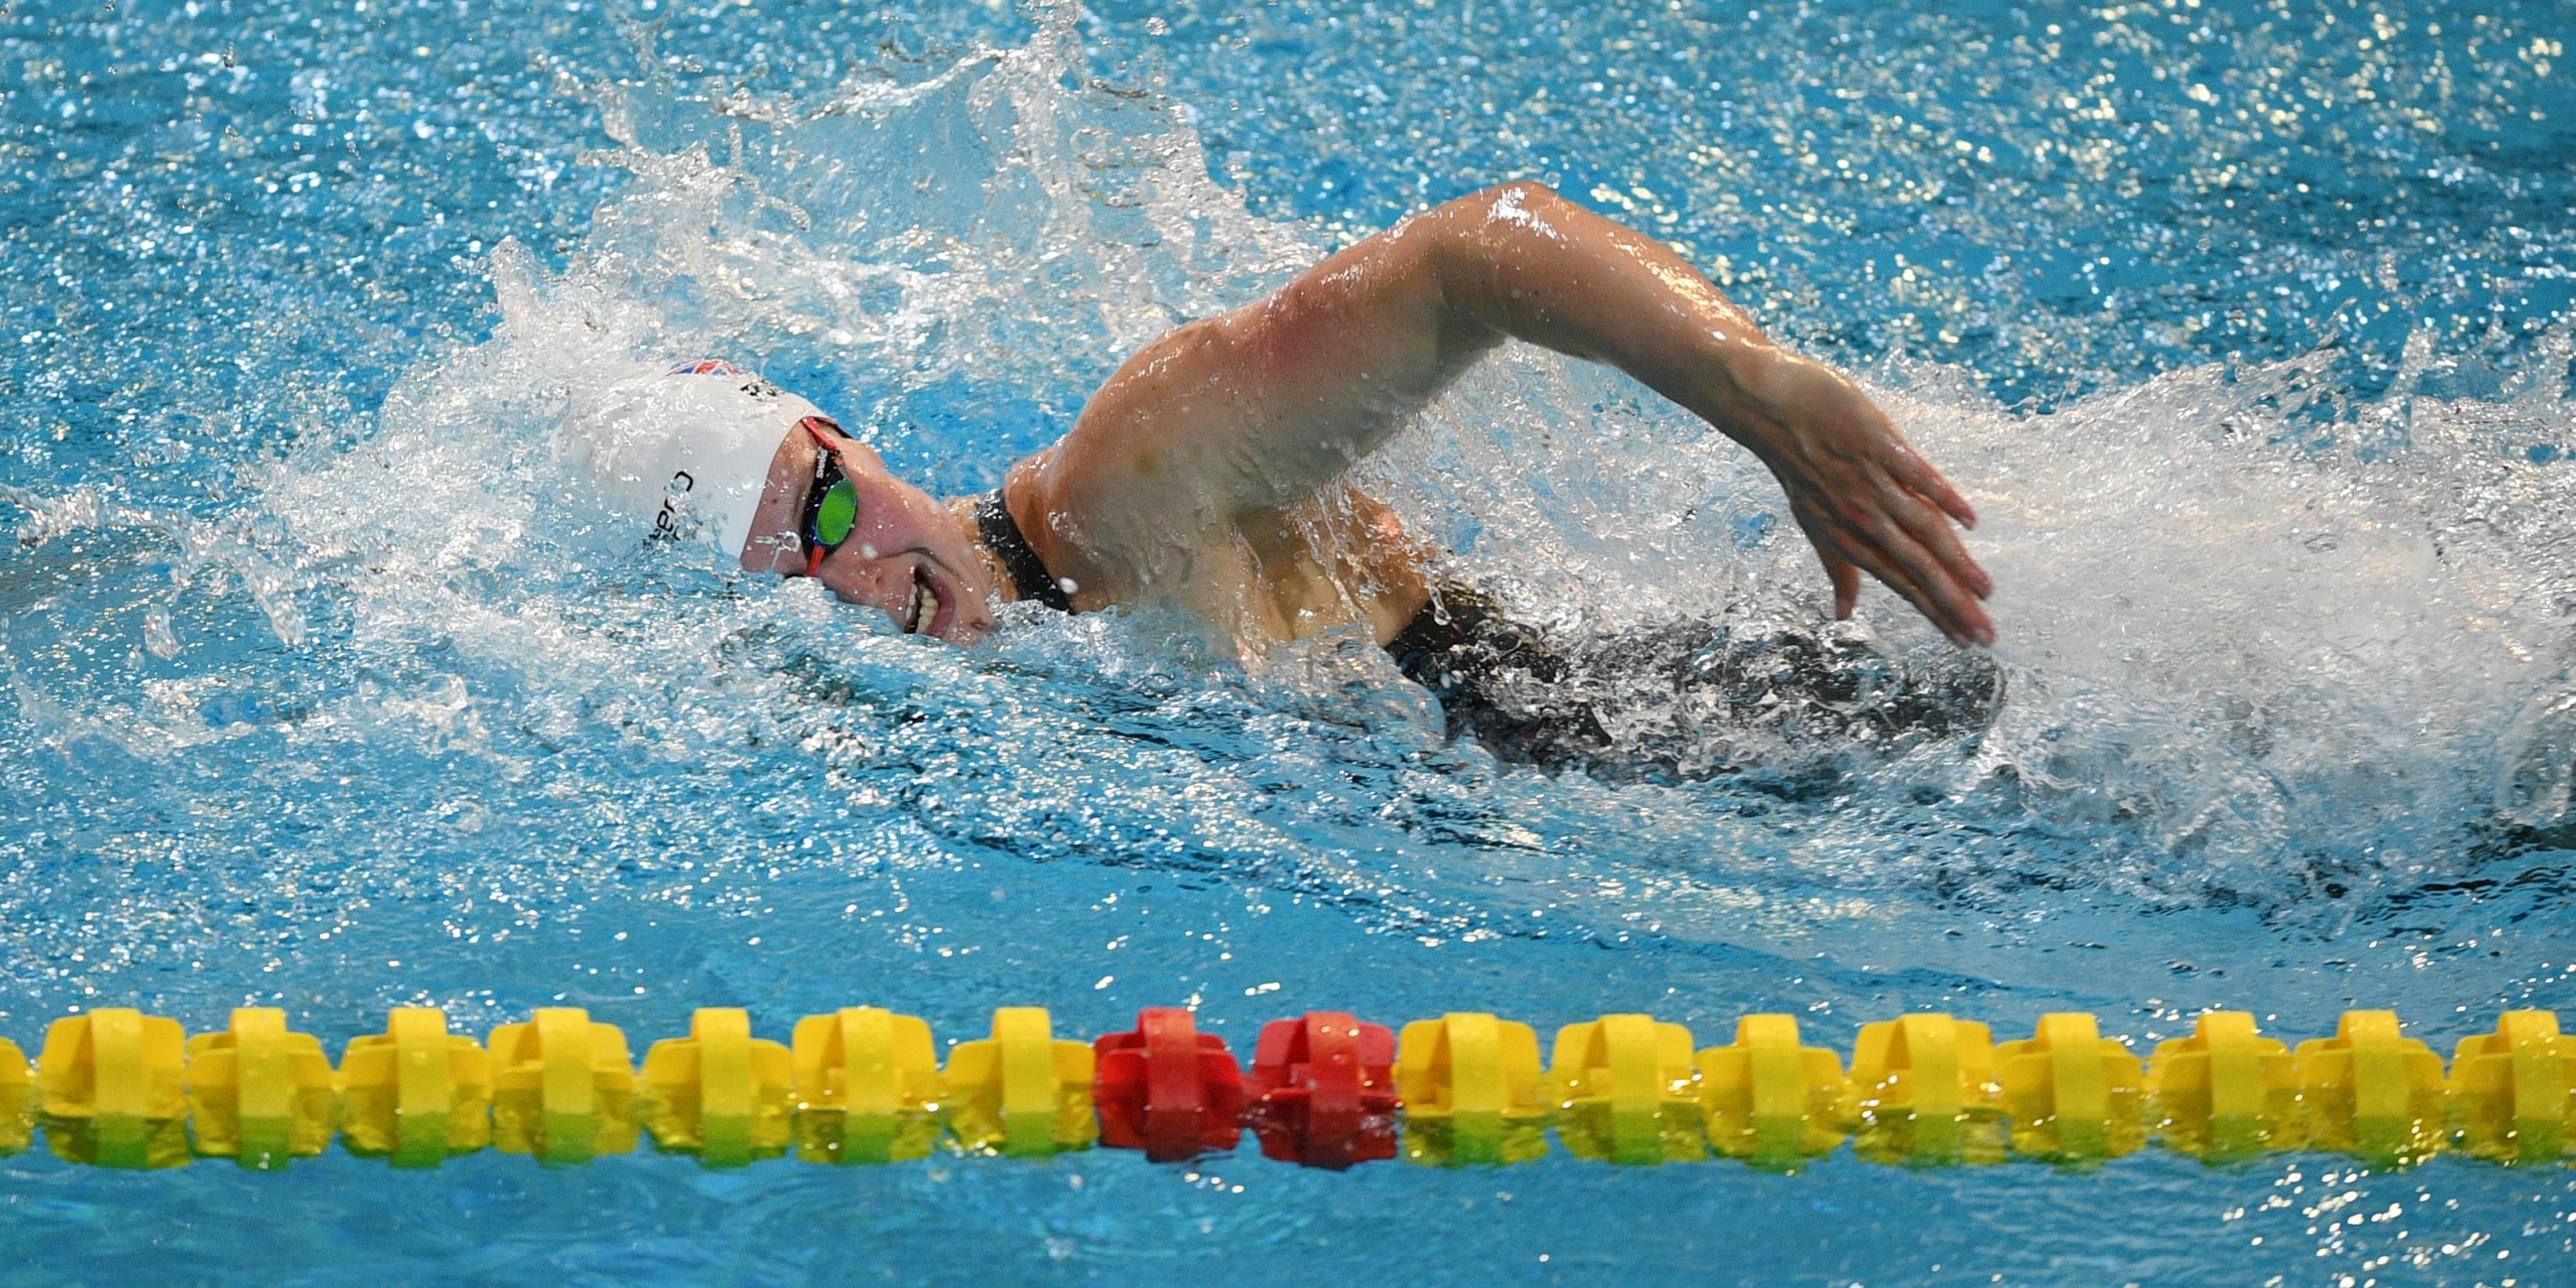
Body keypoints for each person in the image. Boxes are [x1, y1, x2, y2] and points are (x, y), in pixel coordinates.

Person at [563, 184, 1994, 721]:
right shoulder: (932, 707)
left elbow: (1468, 257)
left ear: (843, 436)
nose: (862, 574)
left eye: (826, 502)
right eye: (796, 577)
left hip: (1680, 731)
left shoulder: (1127, 481)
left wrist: (1753, 390)